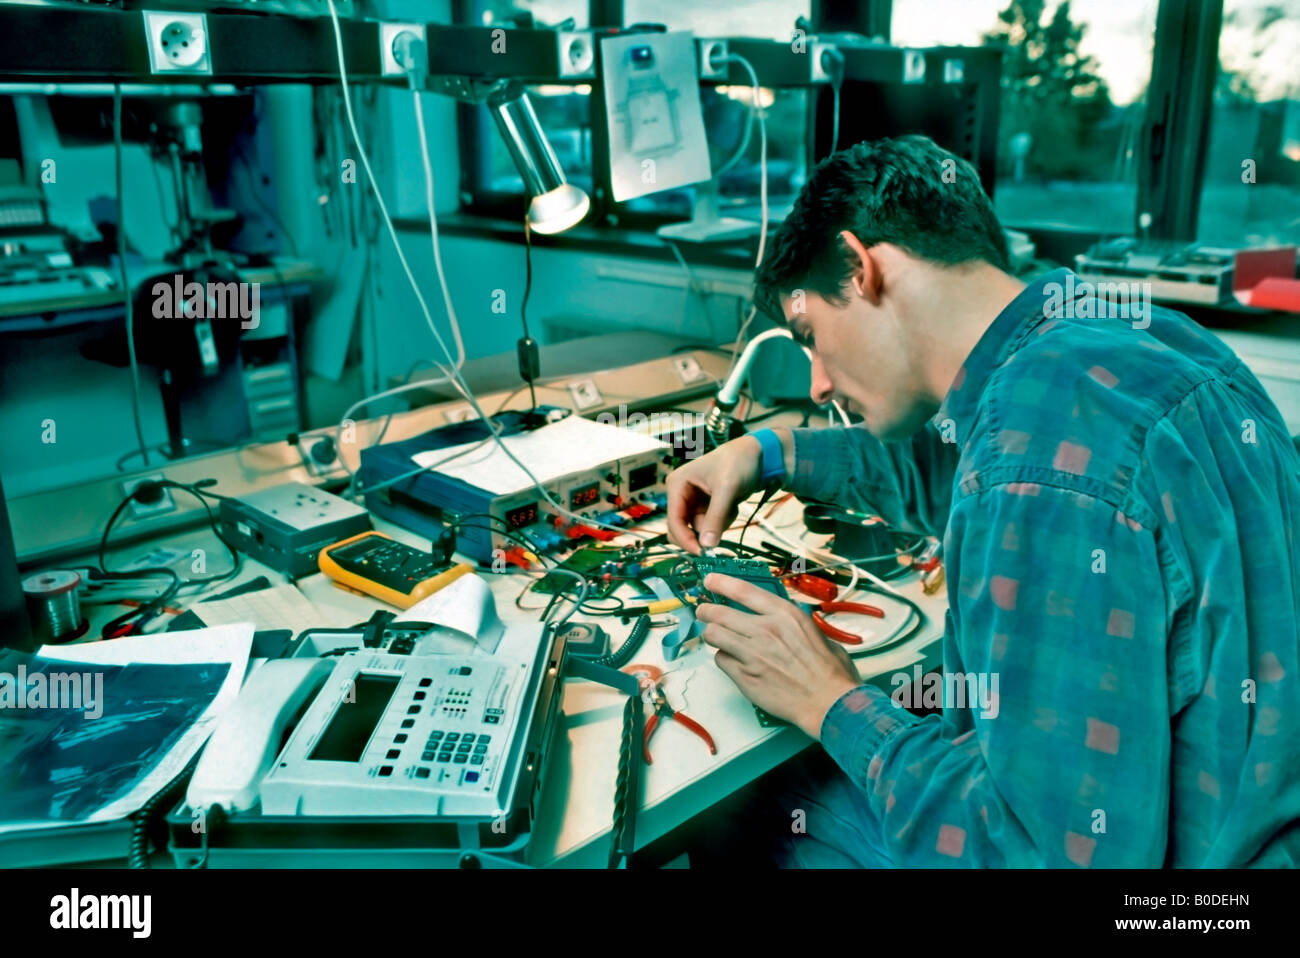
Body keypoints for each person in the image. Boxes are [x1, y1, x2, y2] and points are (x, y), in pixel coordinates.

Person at [667, 135, 1300, 867]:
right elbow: (950, 468)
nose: (816, 384)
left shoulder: (1032, 462)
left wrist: (828, 699)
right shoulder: (1141, 338)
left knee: (755, 802)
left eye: (810, 335)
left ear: (859, 266)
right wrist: (764, 453)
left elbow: (1033, 855)